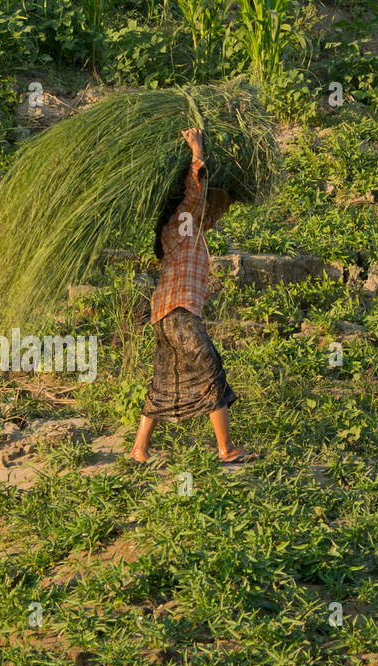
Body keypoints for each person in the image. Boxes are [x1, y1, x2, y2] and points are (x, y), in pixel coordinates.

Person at [130, 127, 254, 465]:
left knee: (163, 382)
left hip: (165, 317)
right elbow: (195, 197)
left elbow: (208, 213)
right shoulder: (181, 223)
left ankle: (139, 450)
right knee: (211, 370)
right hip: (180, 314)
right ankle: (226, 449)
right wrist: (197, 150)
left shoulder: (188, 233)